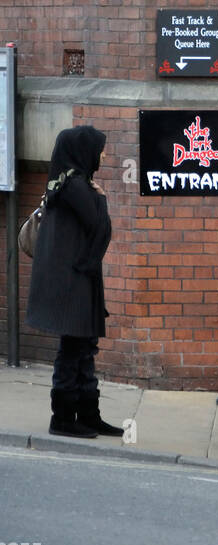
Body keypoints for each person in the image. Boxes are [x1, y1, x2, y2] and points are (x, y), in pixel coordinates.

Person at [26, 126, 123, 439]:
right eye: (100, 148)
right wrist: (103, 199)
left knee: (84, 346)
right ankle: (64, 418)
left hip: (77, 277)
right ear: (83, 150)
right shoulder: (74, 185)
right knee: (73, 348)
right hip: (72, 280)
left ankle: (88, 413)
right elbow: (100, 226)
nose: (104, 155)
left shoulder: (66, 182)